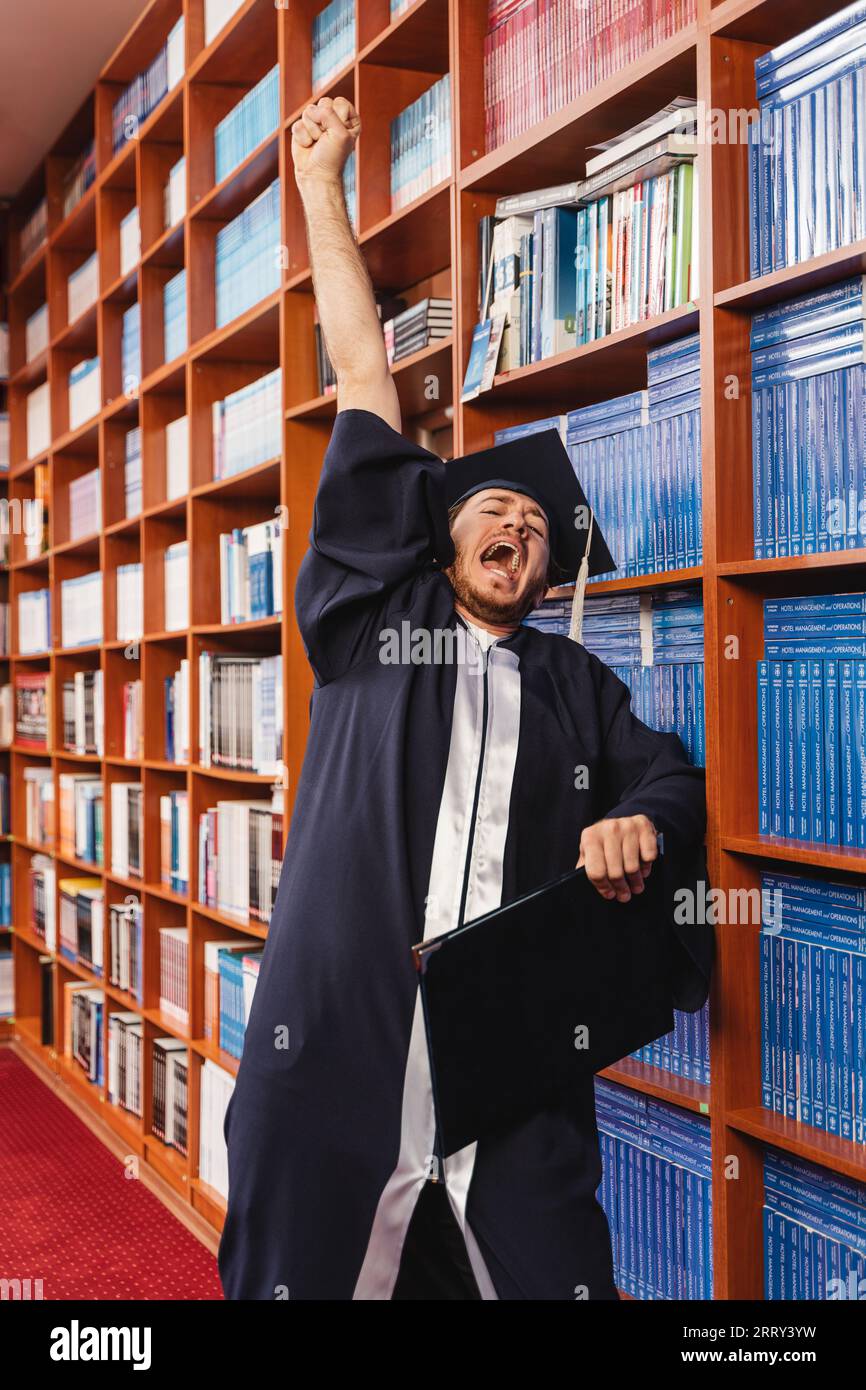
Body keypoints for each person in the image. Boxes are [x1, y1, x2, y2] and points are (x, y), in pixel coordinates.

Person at [217, 96, 712, 1302]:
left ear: (547, 576)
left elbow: (669, 775)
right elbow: (359, 373)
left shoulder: (576, 685)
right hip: (338, 1052)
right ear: (439, 545)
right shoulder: (370, 621)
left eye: (539, 526)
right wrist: (321, 189)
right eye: (494, 510)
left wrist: (639, 820)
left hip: (509, 1081)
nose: (520, 525)